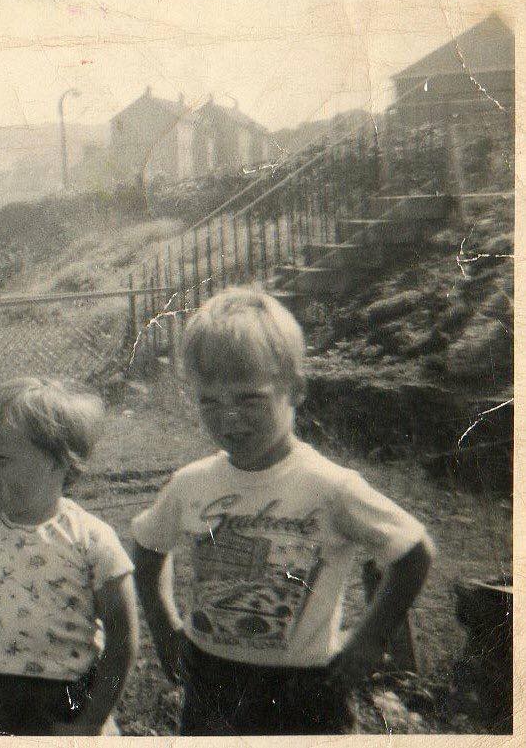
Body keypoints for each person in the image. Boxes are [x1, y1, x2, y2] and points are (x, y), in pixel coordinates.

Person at [131, 287, 434, 735]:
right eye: (209, 402)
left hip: (306, 687)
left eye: (249, 399)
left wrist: (370, 639)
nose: (229, 419)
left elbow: (413, 553)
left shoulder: (329, 486)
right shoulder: (190, 483)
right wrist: (165, 627)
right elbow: (147, 544)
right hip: (210, 680)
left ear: (296, 389)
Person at [0, 378, 138, 736]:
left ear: (58, 462)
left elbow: (122, 640)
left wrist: (93, 720)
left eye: (0, 458)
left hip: (66, 705)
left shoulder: (91, 539)